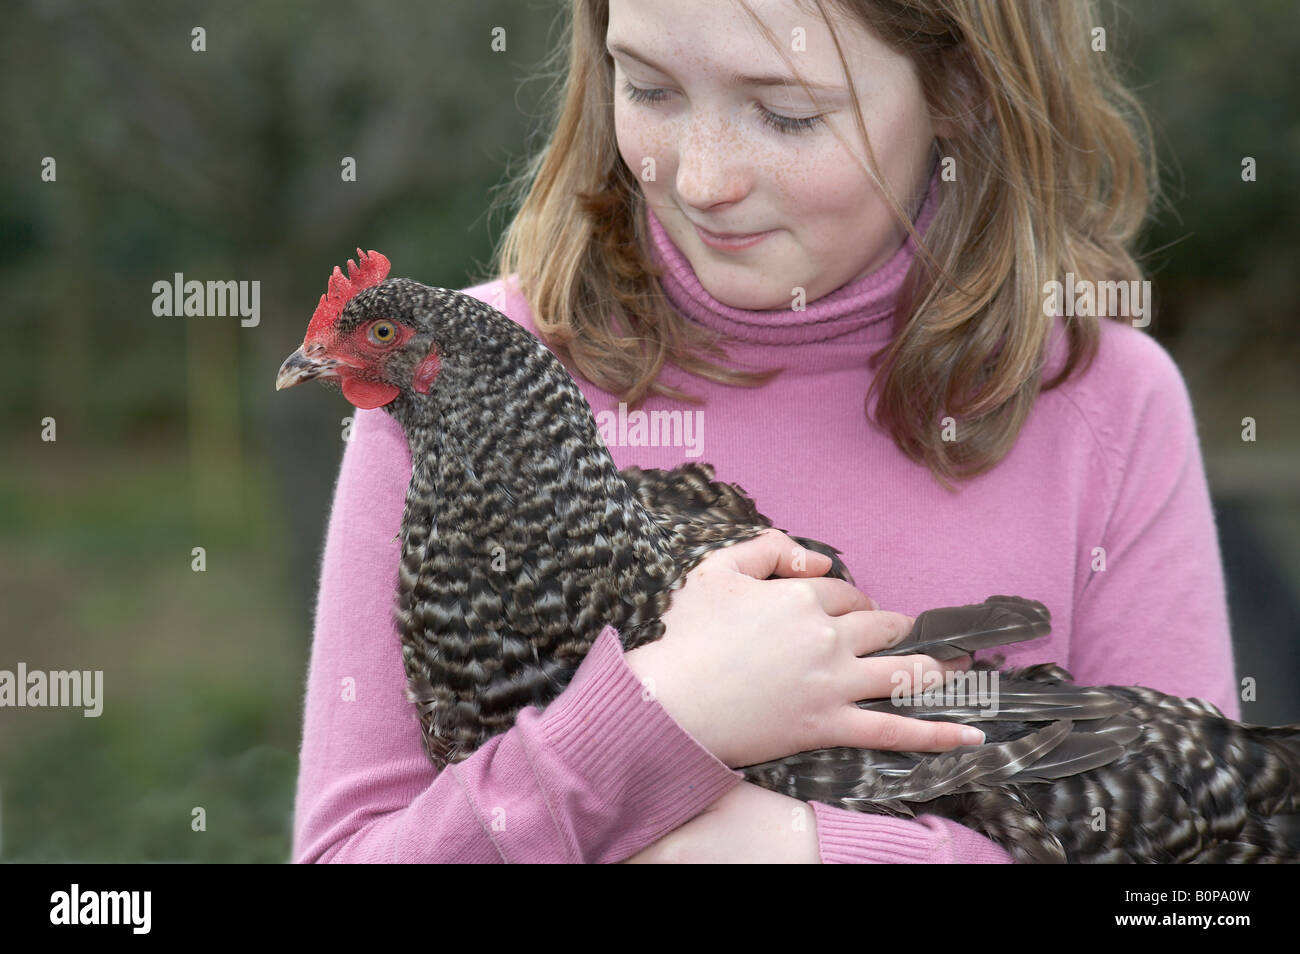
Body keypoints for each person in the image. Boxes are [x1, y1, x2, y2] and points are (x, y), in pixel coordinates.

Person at [291, 0, 1238, 863]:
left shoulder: (1103, 402)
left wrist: (809, 851)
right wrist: (661, 717)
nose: (702, 178)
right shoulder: (445, 386)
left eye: (785, 114)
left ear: (959, 87)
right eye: (651, 88)